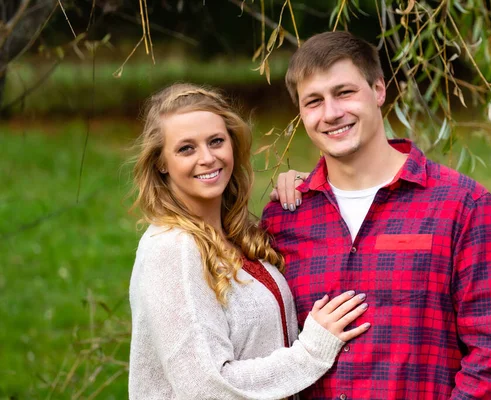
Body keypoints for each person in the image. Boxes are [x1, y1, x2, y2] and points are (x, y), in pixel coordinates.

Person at [262, 31, 491, 399]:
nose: (332, 113)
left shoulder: (462, 206)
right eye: (314, 101)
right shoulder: (285, 217)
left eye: (344, 92)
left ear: (379, 90)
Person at [128, 83, 372, 400]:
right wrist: (311, 351)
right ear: (161, 162)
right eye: (186, 148)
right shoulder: (171, 247)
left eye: (216, 141)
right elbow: (204, 387)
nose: (207, 158)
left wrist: (308, 192)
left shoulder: (237, 236)